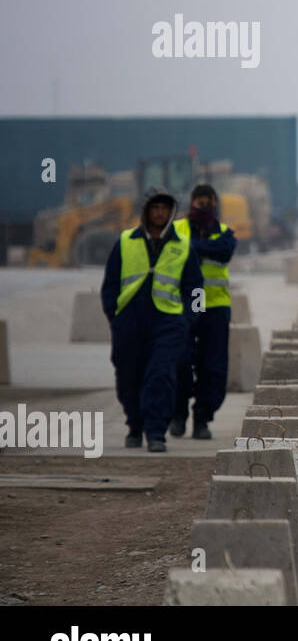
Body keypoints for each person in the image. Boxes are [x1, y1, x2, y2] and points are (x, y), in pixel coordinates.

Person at [100, 188, 202, 452]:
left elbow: (196, 289)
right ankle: (135, 425)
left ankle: (156, 432)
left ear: (171, 213)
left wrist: (190, 319)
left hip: (168, 322)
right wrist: (114, 315)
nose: (159, 213)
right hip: (129, 321)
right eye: (155, 208)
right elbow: (110, 284)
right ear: (146, 211)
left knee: (161, 375)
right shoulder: (125, 241)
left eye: (164, 208)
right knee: (128, 376)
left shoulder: (182, 246)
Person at [170, 184, 238, 440]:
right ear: (191, 202)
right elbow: (175, 251)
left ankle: (202, 418)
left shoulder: (224, 233)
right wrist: (204, 247)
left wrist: (192, 248)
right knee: (179, 360)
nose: (205, 205)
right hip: (182, 305)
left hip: (215, 307)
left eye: (209, 200)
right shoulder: (176, 229)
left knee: (214, 367)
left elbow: (225, 251)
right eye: (200, 200)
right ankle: (178, 414)